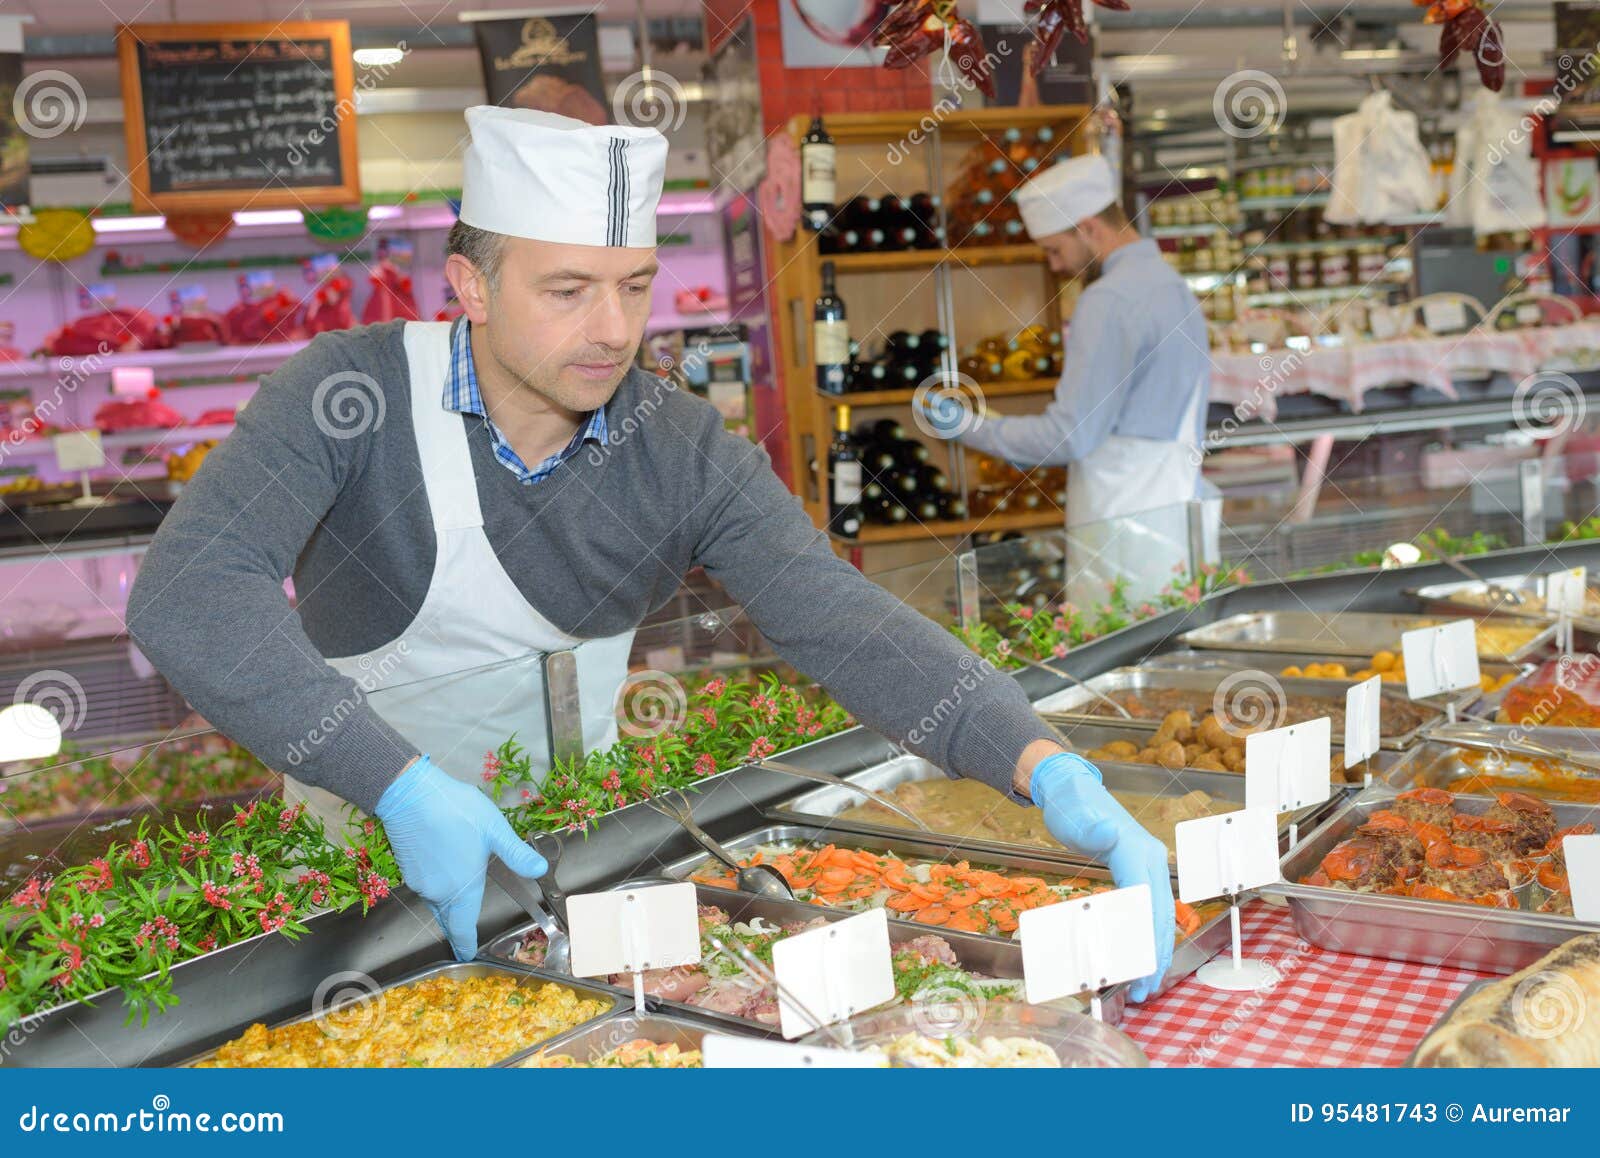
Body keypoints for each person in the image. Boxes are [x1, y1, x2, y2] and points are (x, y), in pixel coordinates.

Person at [125, 108, 1175, 998]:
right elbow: (187, 595)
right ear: (471, 285)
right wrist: (397, 786)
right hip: (350, 873)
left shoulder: (671, 446)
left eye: (635, 285)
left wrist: (1037, 761)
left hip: (575, 864)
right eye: (568, 289)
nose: (614, 329)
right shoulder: (347, 395)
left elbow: (835, 615)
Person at [926, 153, 1215, 606]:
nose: (1056, 267)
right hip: (1177, 525)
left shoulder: (1108, 299)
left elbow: (1070, 436)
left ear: (1088, 228)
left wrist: (969, 426)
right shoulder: (1173, 287)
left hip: (1122, 533)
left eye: (1054, 250)